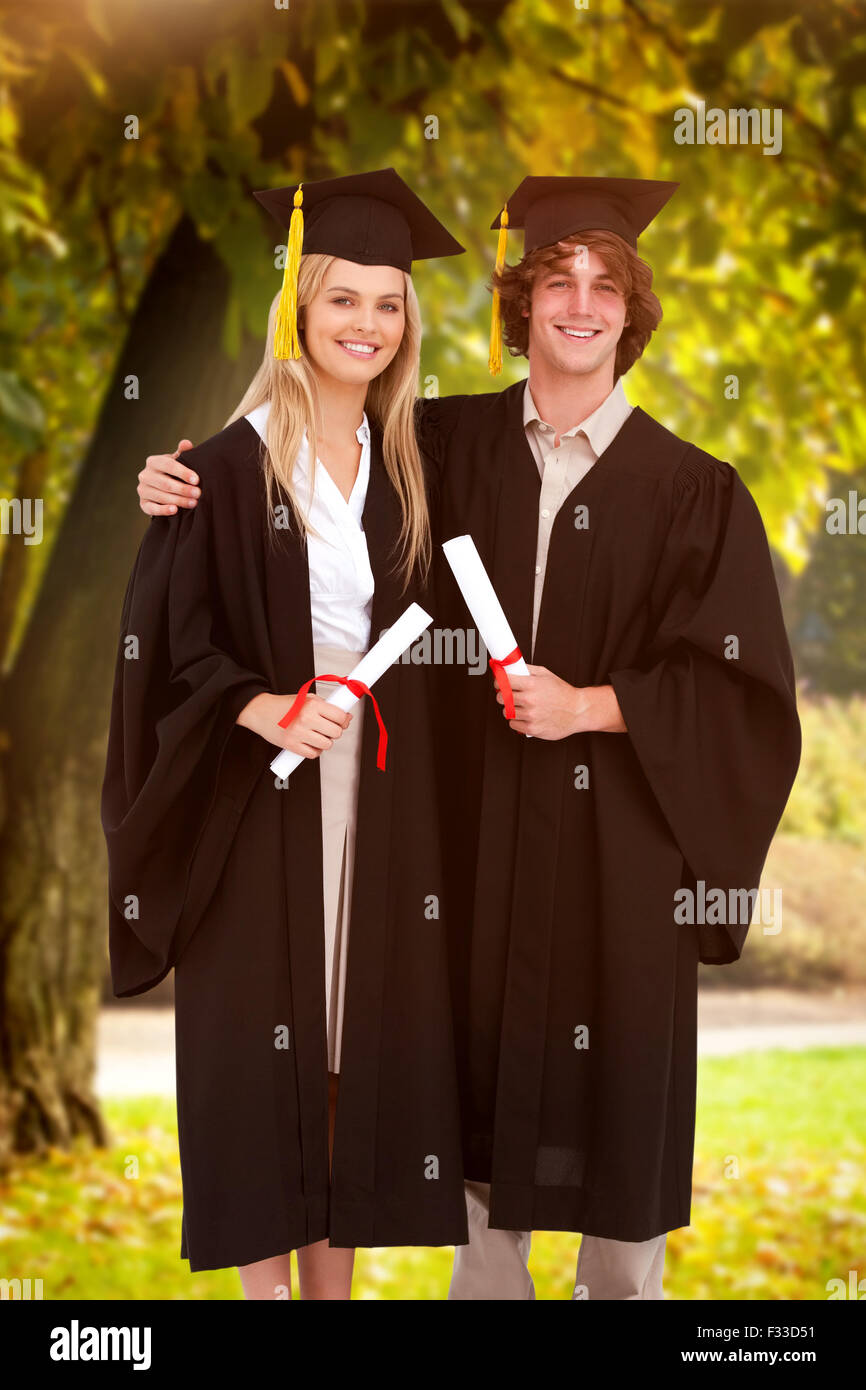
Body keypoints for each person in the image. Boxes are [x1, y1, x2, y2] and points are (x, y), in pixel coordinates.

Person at [133, 175, 802, 1301]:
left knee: (619, 1196)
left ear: (630, 315)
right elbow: (307, 458)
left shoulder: (698, 492)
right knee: (482, 1187)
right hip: (478, 868)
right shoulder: (436, 447)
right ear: (519, 301)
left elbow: (743, 692)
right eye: (555, 280)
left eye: (603, 286)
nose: (579, 305)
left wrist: (588, 704)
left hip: (619, 869)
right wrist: (168, 476)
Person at [101, 168, 469, 1300]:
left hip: (377, 806)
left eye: (387, 303)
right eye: (342, 299)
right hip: (254, 799)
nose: (365, 323)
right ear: (298, 311)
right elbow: (164, 643)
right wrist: (257, 703)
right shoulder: (215, 469)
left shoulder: (412, 471)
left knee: (349, 1063)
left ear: (406, 324)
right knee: (264, 1060)